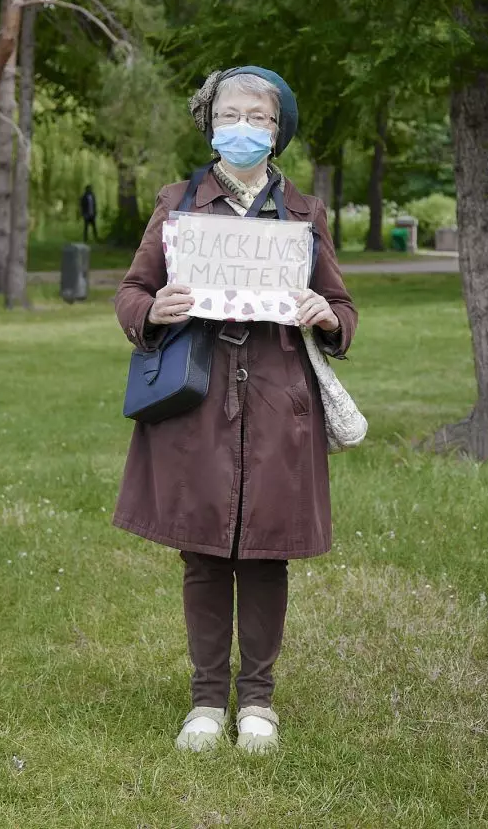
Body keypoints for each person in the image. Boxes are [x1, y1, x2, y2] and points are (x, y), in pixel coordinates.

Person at [113, 66, 358, 754]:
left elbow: (344, 310)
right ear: (210, 120)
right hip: (197, 406)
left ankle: (257, 700)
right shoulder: (178, 203)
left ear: (279, 132)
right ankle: (204, 699)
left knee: (265, 556)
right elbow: (132, 291)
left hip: (280, 406)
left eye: (261, 117)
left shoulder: (303, 214)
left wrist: (326, 316)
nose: (245, 127)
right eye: (233, 113)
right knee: (202, 553)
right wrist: (150, 311)